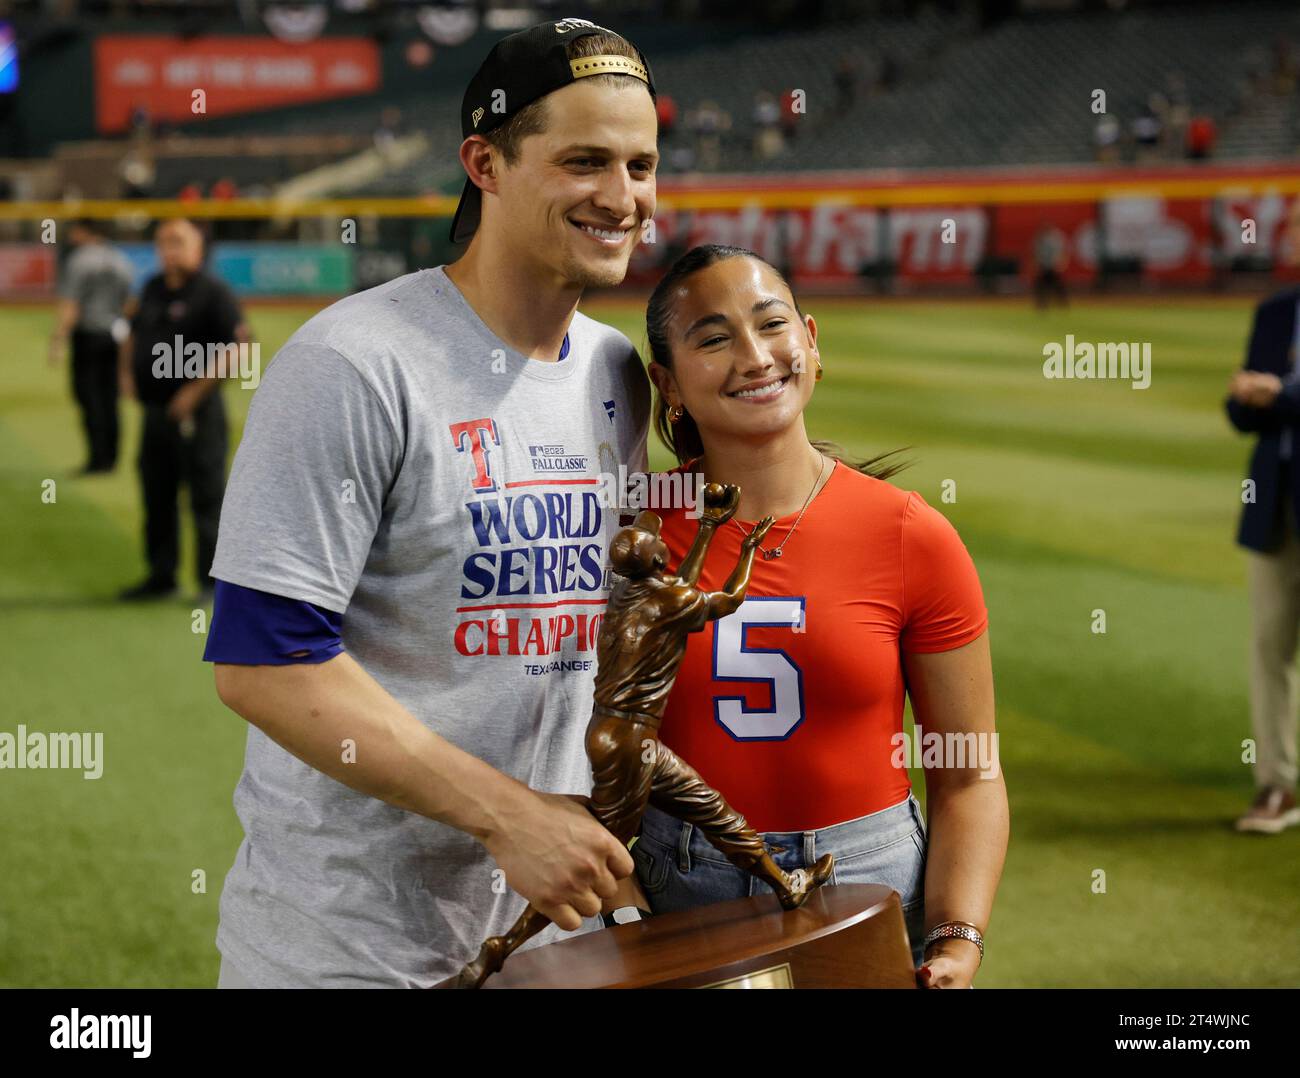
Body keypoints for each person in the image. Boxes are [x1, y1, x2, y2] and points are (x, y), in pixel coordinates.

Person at [203, 20, 659, 988]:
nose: (622, 198)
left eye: (640, 165)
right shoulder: (354, 363)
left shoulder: (617, 372)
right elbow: (262, 664)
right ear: (483, 163)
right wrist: (511, 816)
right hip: (347, 946)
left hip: (550, 937)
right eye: (584, 161)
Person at [634, 244, 1008, 988]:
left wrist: (958, 937)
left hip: (868, 882)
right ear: (666, 383)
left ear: (810, 339)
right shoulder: (634, 535)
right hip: (677, 882)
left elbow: (967, 774)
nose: (754, 356)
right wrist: (621, 909)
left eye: (771, 325)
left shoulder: (910, 534)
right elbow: (589, 757)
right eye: (713, 338)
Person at [118, 217, 248, 601]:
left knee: (206, 496)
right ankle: (161, 577)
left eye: (177, 241)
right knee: (156, 493)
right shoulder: (152, 288)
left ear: (198, 247)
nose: (168, 249)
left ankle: (212, 583)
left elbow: (239, 348)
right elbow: (131, 331)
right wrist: (126, 373)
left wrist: (194, 392)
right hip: (156, 412)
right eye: (162, 242)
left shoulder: (213, 292)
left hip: (199, 415)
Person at [1224, 199, 1300, 834]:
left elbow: (1284, 396)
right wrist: (1244, 398)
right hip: (1274, 501)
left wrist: (1282, 393)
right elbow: (1249, 416)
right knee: (1270, 647)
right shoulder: (1274, 313)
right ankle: (1278, 784)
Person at [49, 219, 134, 475]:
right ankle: (112, 458)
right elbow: (129, 303)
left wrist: (58, 339)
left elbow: (71, 305)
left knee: (89, 397)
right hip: (114, 335)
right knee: (110, 397)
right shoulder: (120, 259)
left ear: (85, 232)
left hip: (88, 336)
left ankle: (97, 459)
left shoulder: (79, 260)